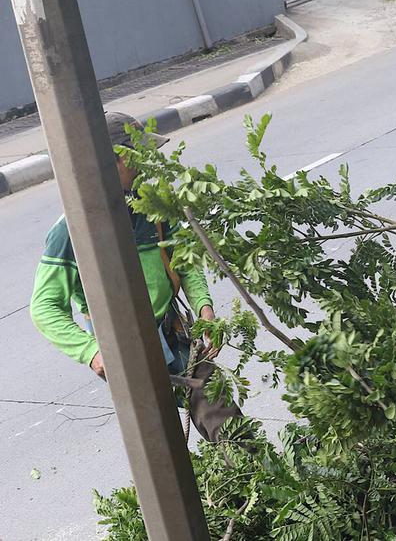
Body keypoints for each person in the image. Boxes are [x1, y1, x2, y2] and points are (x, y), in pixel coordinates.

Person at [29, 112, 243, 442]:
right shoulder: (70, 231)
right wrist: (93, 353)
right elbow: (45, 308)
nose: (146, 166)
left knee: (224, 418)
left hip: (173, 337)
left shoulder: (152, 207)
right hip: (126, 358)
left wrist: (205, 311)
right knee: (162, 453)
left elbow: (184, 261)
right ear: (115, 159)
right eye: (138, 158)